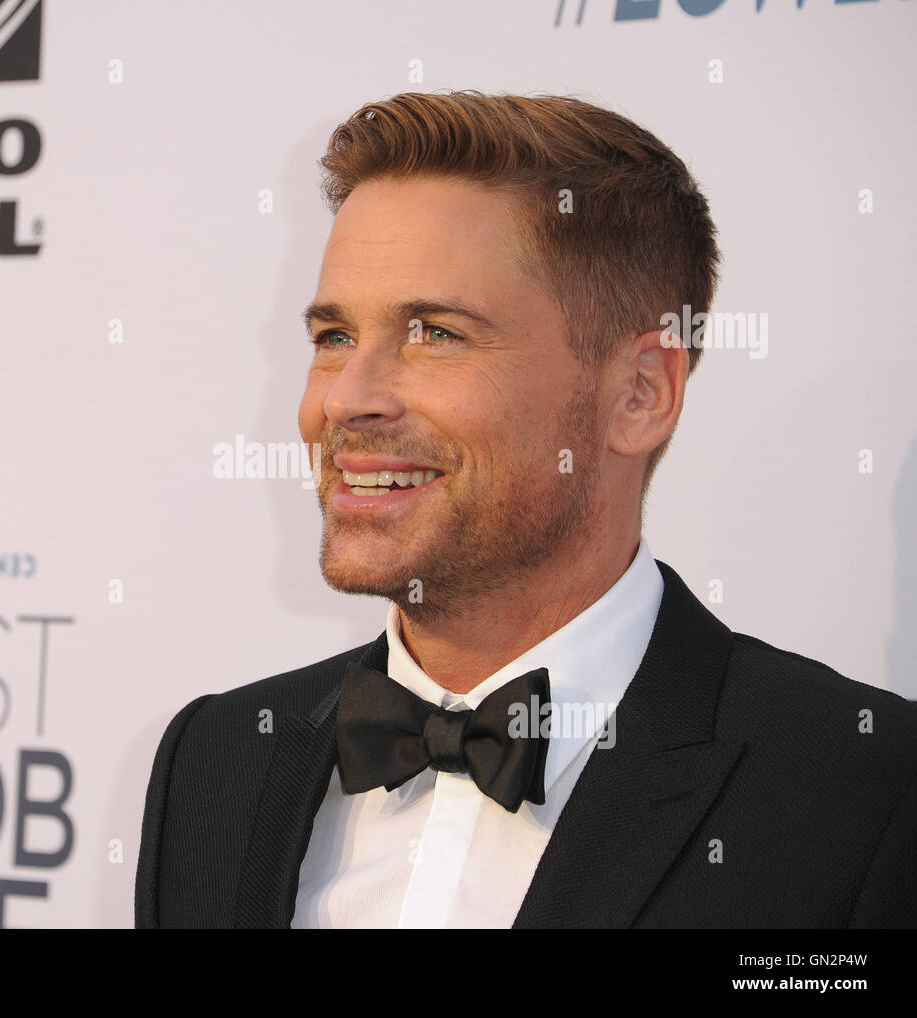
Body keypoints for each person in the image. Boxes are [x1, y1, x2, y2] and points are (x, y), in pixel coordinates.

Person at [134, 91, 917, 928]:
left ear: (642, 393)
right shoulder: (215, 760)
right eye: (333, 338)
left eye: (434, 332)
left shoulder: (867, 793)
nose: (346, 400)